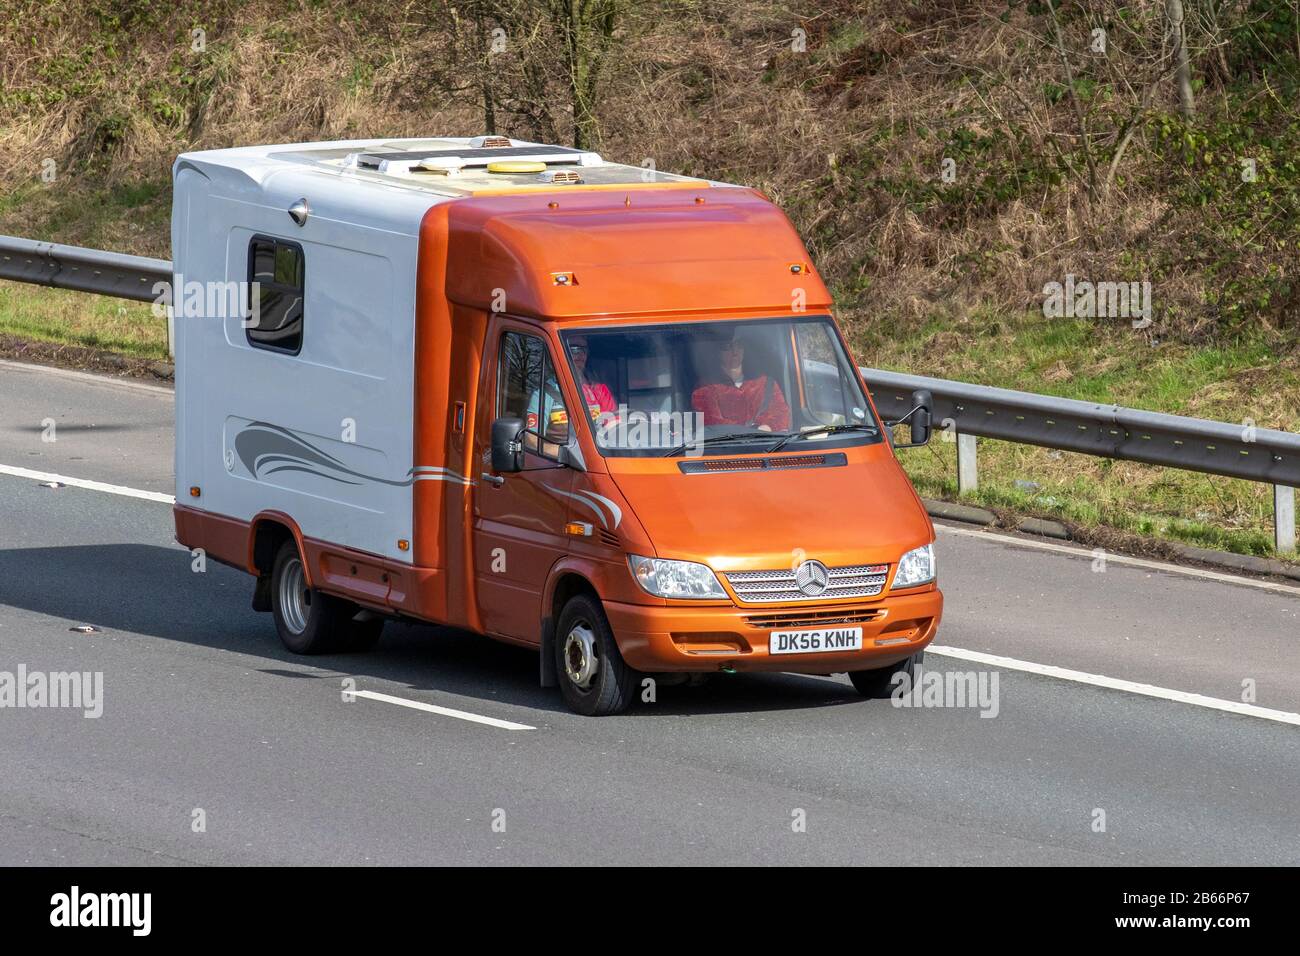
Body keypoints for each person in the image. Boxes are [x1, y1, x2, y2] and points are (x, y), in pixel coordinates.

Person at [690, 333, 790, 432]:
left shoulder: (766, 382)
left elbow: (780, 413)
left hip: (768, 444)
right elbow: (711, 421)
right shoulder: (705, 387)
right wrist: (751, 430)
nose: (735, 352)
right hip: (729, 446)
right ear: (717, 352)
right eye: (727, 347)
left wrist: (768, 426)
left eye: (739, 345)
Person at [527, 334, 617, 442]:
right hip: (564, 458)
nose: (580, 355)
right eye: (574, 349)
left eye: (584, 350)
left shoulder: (600, 390)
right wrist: (562, 454)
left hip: (598, 455)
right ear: (561, 352)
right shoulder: (544, 393)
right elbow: (532, 439)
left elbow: (614, 431)